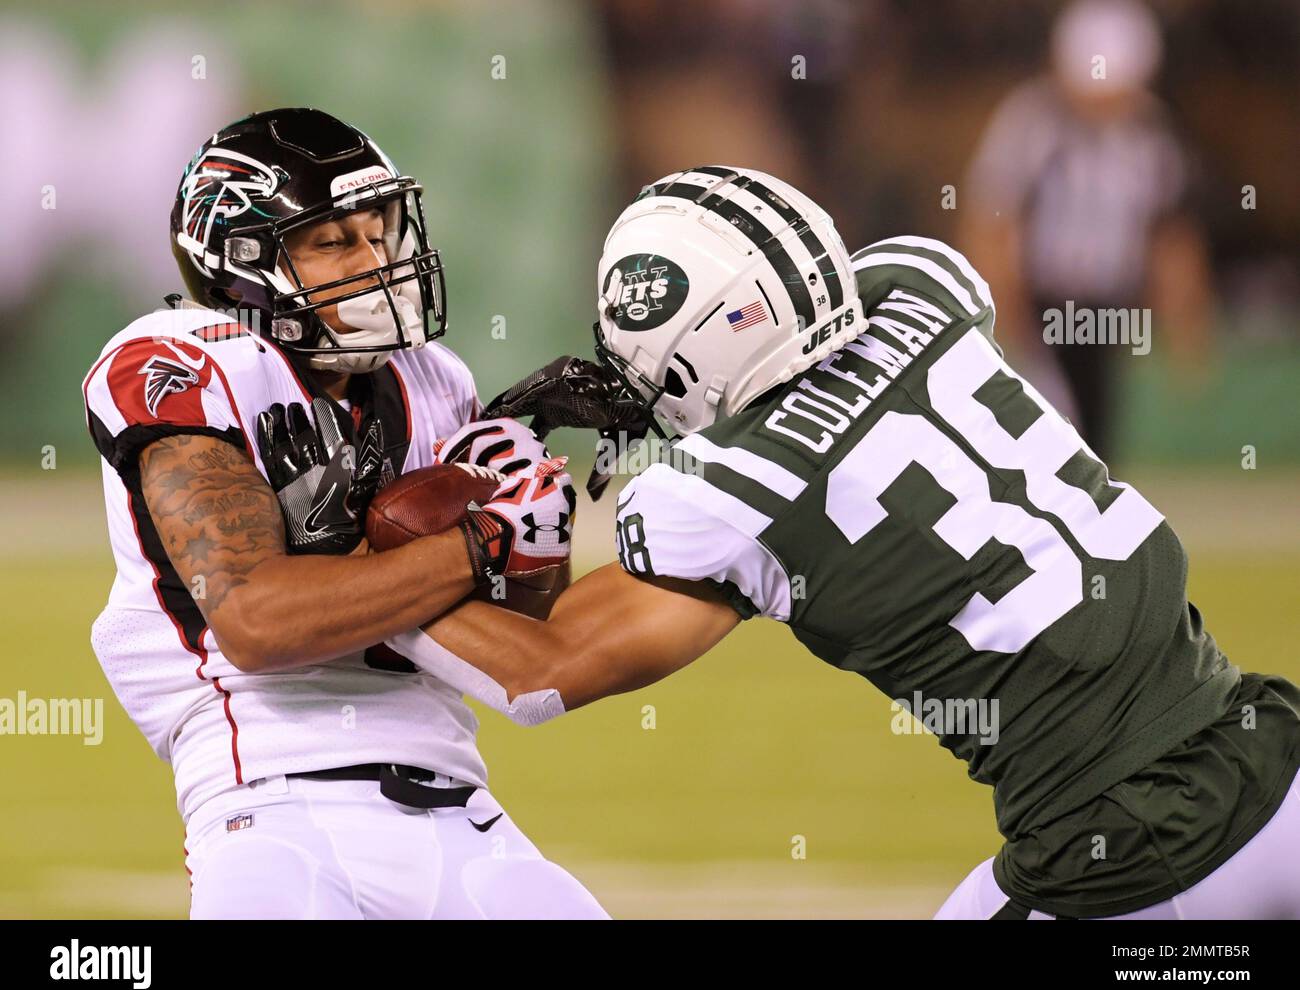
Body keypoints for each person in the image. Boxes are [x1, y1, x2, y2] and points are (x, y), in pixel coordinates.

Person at [391, 165, 1300, 919]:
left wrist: (352, 576)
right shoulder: (921, 287)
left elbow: (543, 669)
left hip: (1125, 849)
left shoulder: (721, 494)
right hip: (1265, 742)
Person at [81, 107, 605, 919]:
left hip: (459, 809)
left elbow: (526, 646)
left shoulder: (433, 379)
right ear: (242, 263)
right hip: (270, 804)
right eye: (332, 241)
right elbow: (258, 622)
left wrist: (529, 514)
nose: (376, 260)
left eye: (380, 230)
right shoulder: (181, 361)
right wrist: (482, 538)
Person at [961, 0, 1212, 459]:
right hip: (1043, 303)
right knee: (1053, 431)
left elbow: (1170, 235)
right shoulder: (1033, 122)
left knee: (1095, 439)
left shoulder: (1151, 136)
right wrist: (998, 307)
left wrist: (1185, 319)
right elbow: (991, 219)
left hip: (1108, 308)